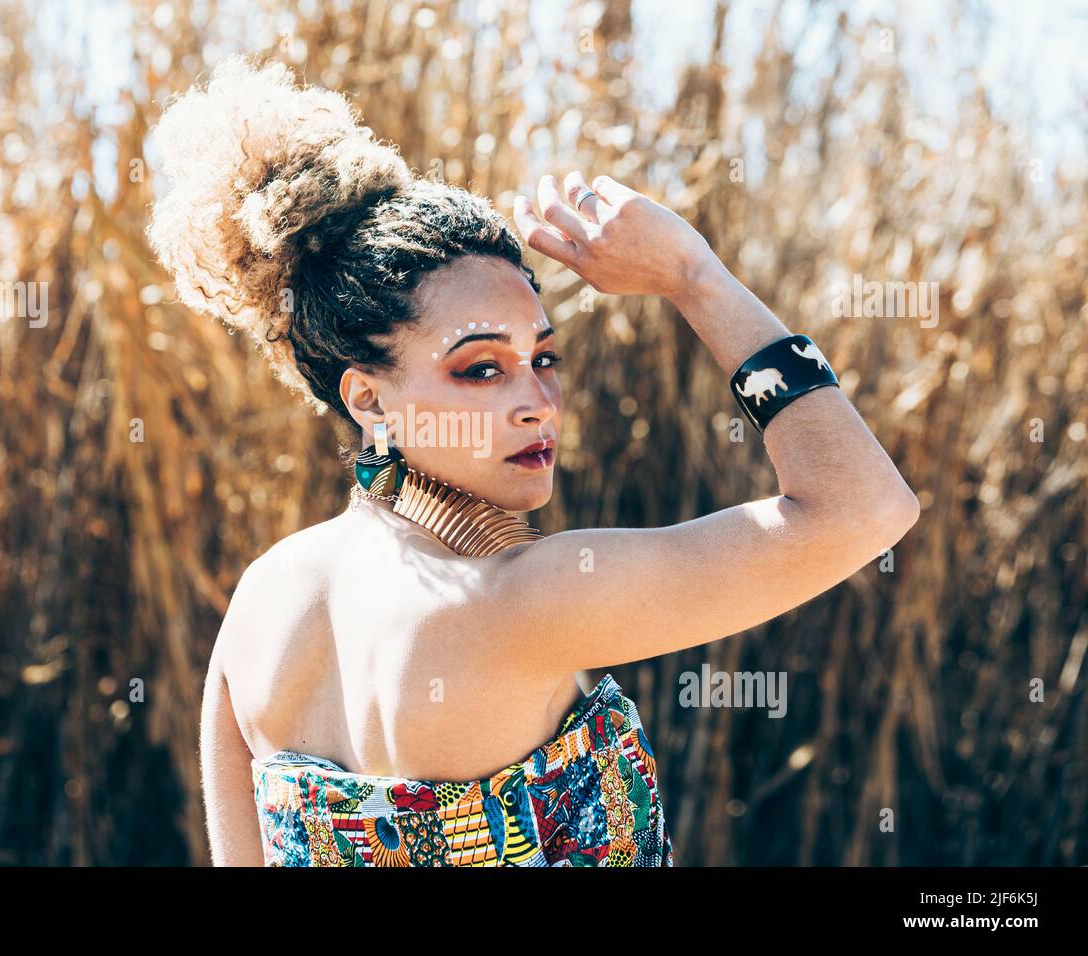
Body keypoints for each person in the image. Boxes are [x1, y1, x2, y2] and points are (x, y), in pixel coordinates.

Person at [146, 55, 920, 866]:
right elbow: (863, 509)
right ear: (367, 399)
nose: (536, 401)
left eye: (542, 359)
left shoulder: (260, 604)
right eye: (480, 367)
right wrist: (696, 277)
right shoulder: (527, 599)